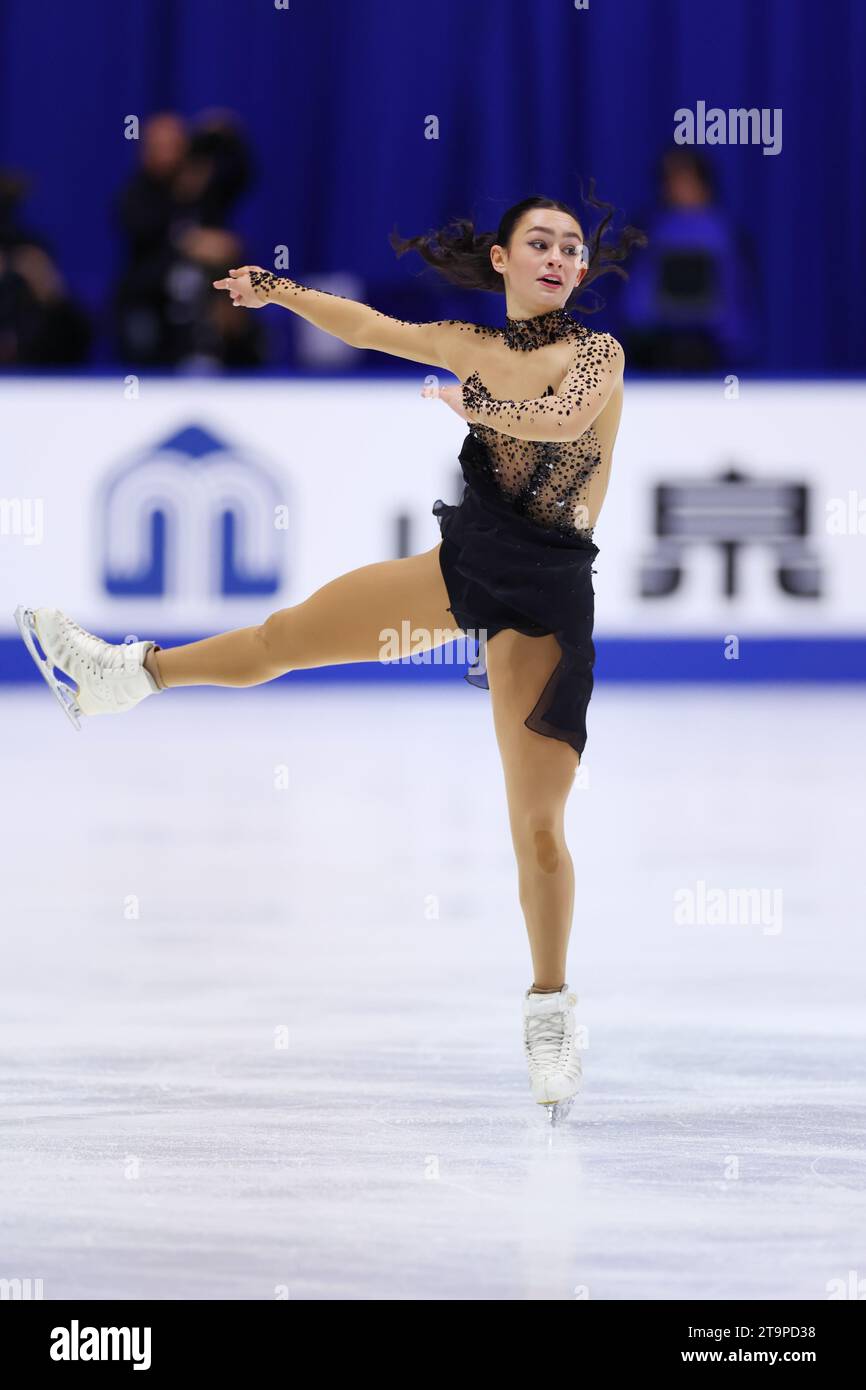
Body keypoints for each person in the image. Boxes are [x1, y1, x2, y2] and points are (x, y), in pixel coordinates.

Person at [15, 188, 646, 1120]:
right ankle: (128, 675)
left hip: (545, 602)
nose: (556, 257)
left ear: (580, 272)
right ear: (504, 260)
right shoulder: (466, 342)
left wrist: (467, 399)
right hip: (465, 565)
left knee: (540, 827)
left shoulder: (597, 354)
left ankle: (550, 1008)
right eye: (537, 243)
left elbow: (555, 423)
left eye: (568, 248)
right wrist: (285, 294)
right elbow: (372, 325)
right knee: (284, 639)